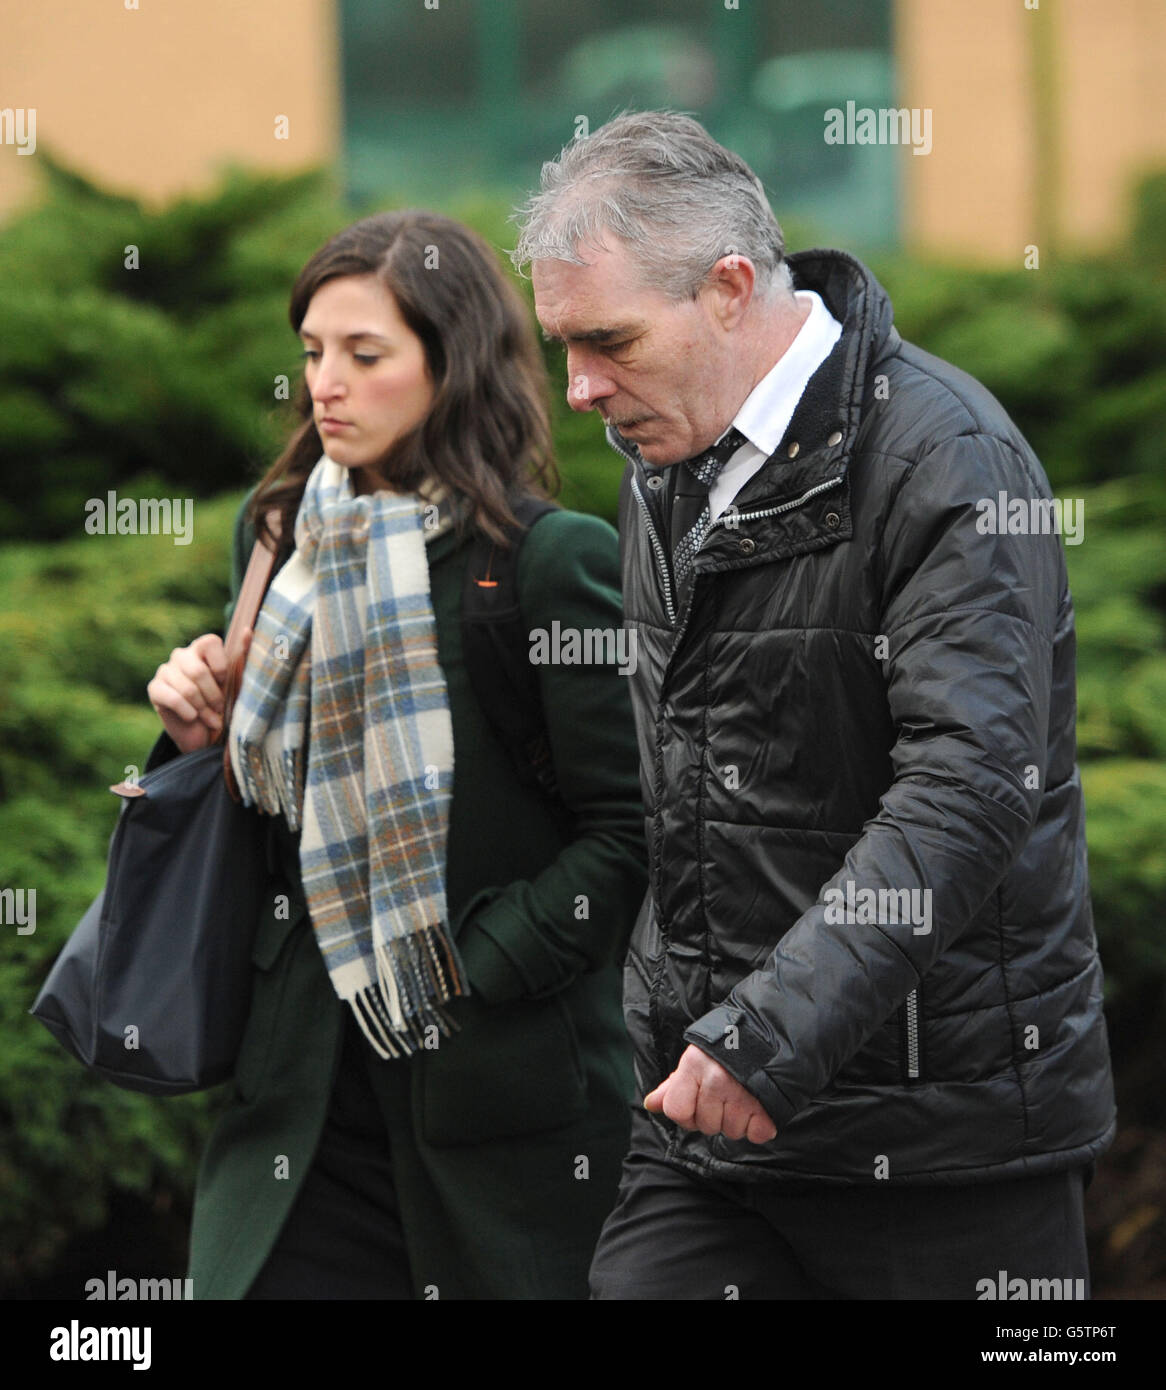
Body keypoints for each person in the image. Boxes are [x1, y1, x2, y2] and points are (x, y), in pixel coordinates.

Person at [514, 110, 1116, 1300]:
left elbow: (969, 784)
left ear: (729, 288)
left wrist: (766, 1038)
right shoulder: (663, 469)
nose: (578, 389)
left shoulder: (949, 460)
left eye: (607, 342)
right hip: (709, 1134)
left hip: (947, 1147)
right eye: (560, 348)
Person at [146, 210, 647, 1299]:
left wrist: (474, 966)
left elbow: (629, 833)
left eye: (364, 355)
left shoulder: (549, 563)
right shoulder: (276, 536)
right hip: (304, 1098)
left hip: (499, 1110)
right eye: (313, 354)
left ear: (451, 365)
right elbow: (260, 806)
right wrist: (195, 733)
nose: (324, 383)